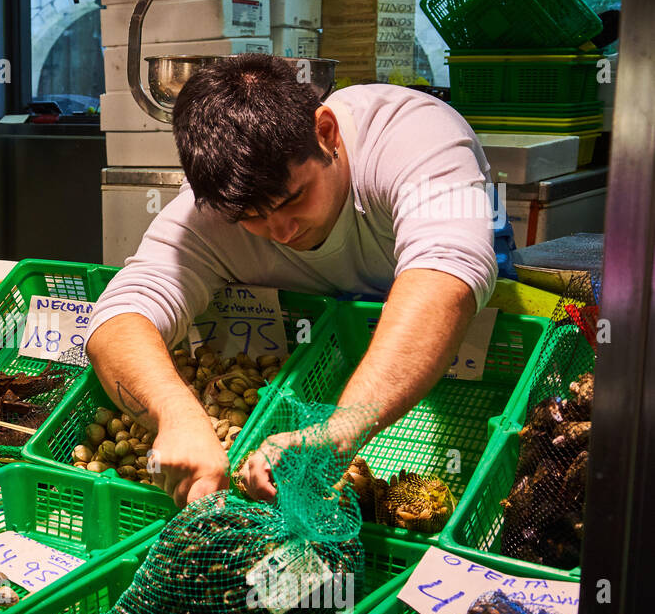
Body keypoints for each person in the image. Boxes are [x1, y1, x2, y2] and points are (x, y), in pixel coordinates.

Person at [86, 53, 499, 508]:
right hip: (330, 360)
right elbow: (119, 319)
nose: (282, 232)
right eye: (252, 218)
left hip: (461, 354)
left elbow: (447, 274)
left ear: (326, 133)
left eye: (293, 199)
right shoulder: (211, 211)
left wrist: (340, 428)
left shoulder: (413, 134)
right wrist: (176, 415)